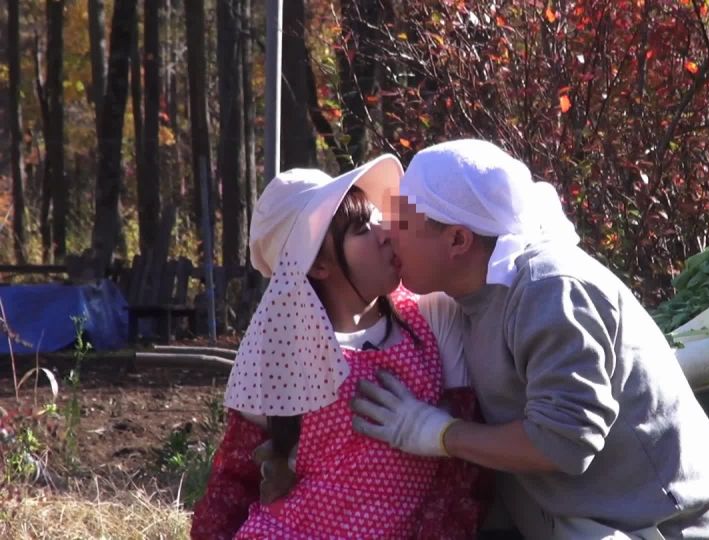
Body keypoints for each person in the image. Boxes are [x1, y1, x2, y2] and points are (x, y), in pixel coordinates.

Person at [351, 139, 709, 539]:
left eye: (402, 221)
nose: (387, 232)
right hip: (582, 519)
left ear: (457, 241)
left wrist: (439, 434)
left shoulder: (549, 290)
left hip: (664, 527)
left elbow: (564, 443)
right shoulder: (471, 291)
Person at [190, 156, 489, 540]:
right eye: (362, 228)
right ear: (318, 266)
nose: (385, 232)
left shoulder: (430, 317)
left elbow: (459, 477)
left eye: (378, 218)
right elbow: (234, 481)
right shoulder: (286, 352)